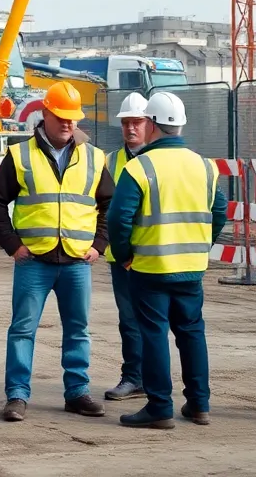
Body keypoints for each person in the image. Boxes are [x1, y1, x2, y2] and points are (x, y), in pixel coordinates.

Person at [0, 81, 113, 422]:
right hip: (34, 261)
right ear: (45, 115)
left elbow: (109, 205)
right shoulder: (21, 155)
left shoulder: (94, 157)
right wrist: (12, 245)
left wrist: (100, 245)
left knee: (78, 330)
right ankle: (16, 396)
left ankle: (77, 393)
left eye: (73, 117)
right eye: (61, 117)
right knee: (23, 329)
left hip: (76, 261)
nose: (68, 123)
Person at [106, 91, 228, 429]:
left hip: (151, 268)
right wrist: (202, 246)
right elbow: (219, 211)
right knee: (192, 332)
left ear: (152, 124)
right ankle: (199, 405)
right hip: (191, 268)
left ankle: (160, 407)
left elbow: (118, 219)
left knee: (154, 333)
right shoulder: (205, 166)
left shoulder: (141, 166)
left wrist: (125, 255)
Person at [102, 91, 149, 402]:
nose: (130, 128)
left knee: (160, 319)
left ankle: (153, 378)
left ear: (149, 124)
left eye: (136, 122)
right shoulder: (110, 162)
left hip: (154, 253)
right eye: (126, 123)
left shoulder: (158, 159)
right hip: (122, 256)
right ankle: (134, 377)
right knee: (129, 318)